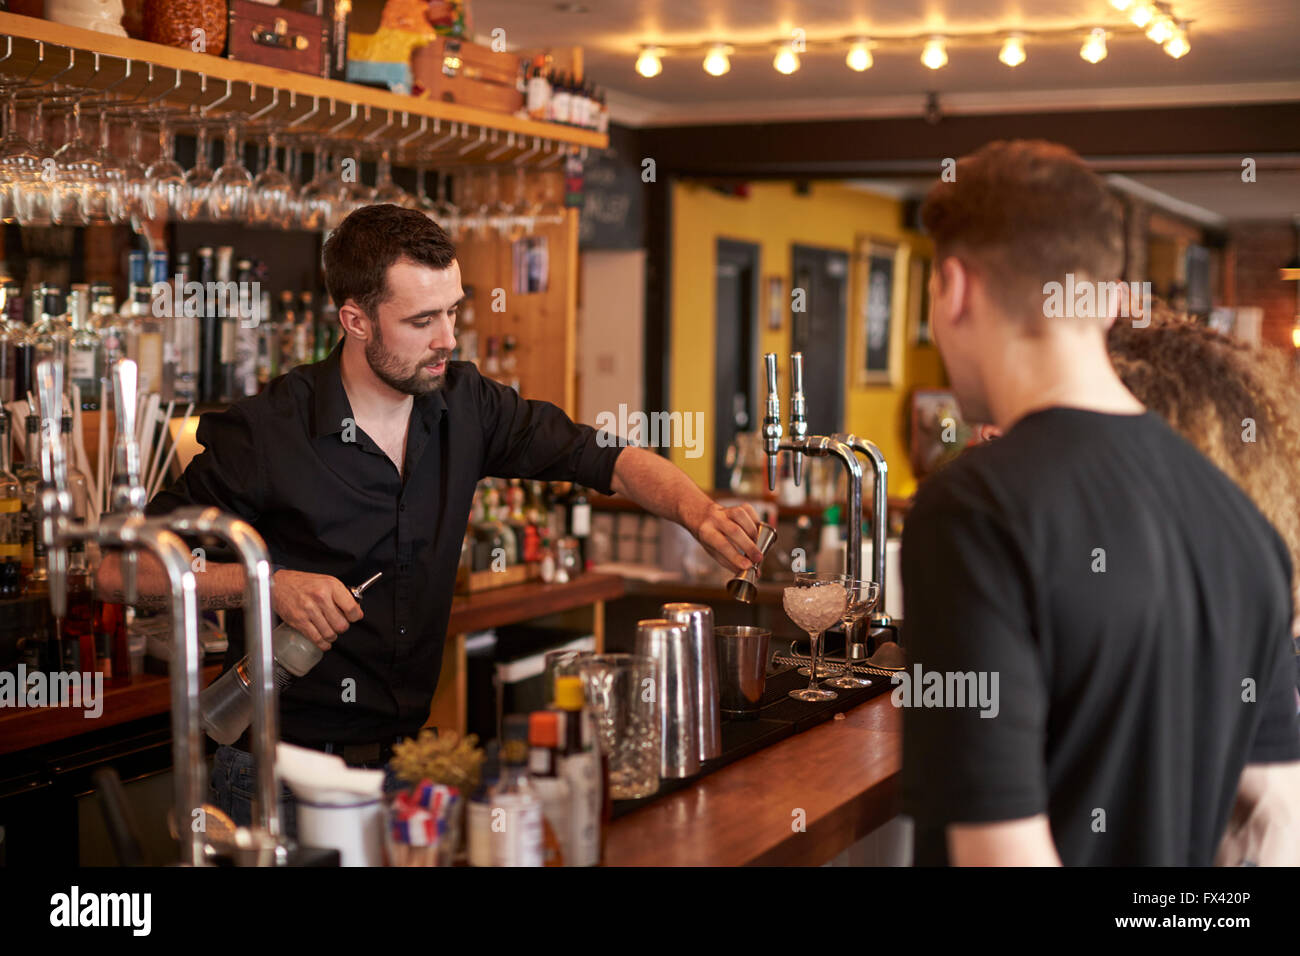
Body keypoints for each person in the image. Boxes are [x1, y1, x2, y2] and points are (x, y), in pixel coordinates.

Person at [96, 204, 765, 829]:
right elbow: (120, 568)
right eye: (422, 322)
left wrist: (698, 513)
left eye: (453, 312)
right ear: (355, 320)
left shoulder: (466, 403)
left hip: (408, 767)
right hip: (281, 774)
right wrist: (266, 584)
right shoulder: (269, 431)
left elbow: (603, 457)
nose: (447, 339)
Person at [900, 140, 1300, 865]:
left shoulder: (973, 510)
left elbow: (1003, 856)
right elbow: (1272, 827)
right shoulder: (1245, 525)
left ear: (955, 288)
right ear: (1111, 301)